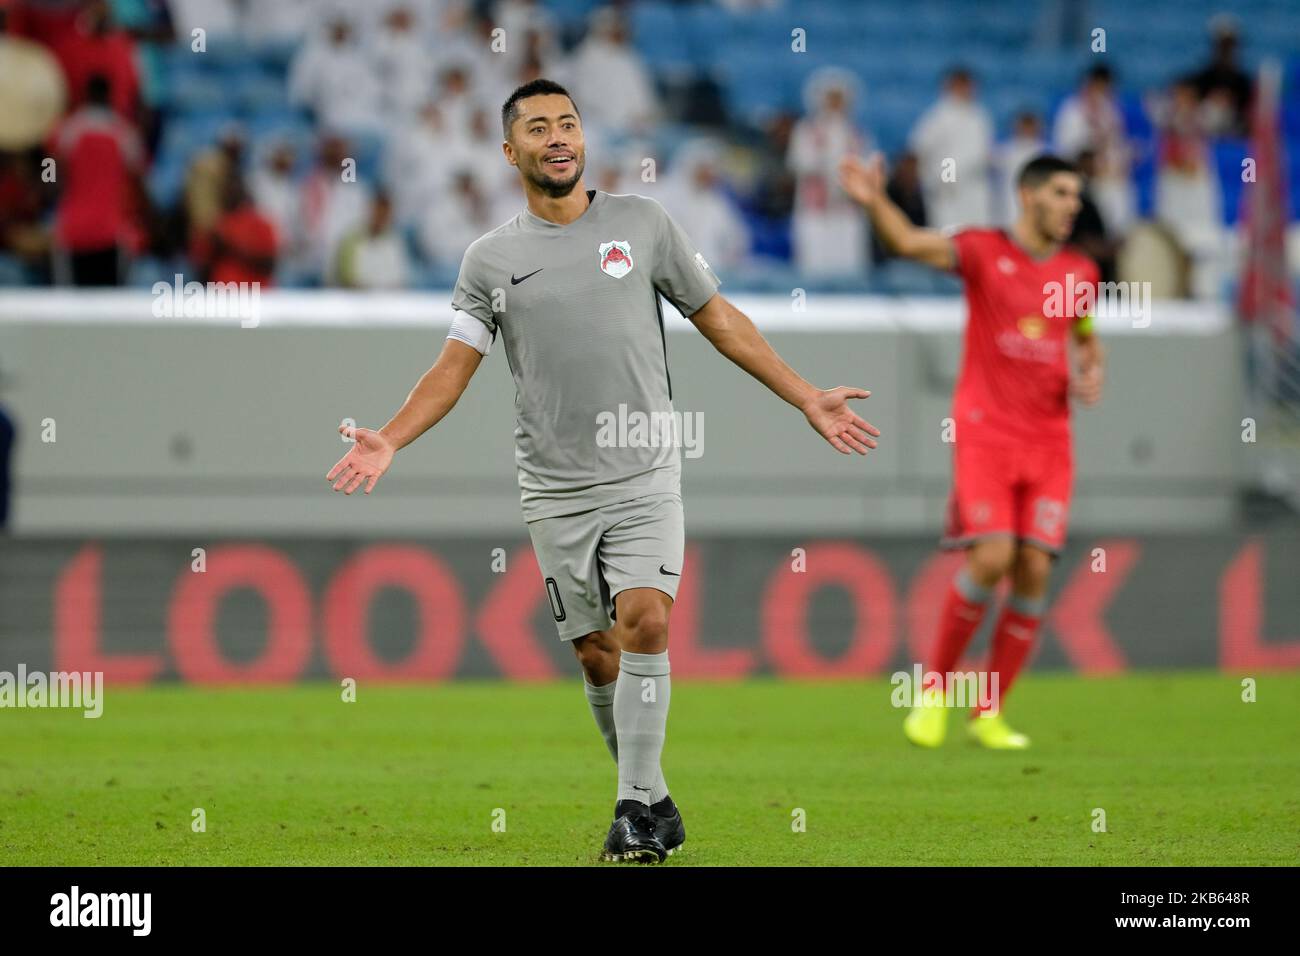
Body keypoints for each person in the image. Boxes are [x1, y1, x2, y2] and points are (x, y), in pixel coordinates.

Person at [327, 79, 881, 862]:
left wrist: (804, 398)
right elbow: (453, 368)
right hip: (554, 486)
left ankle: (629, 811)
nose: (558, 138)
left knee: (645, 618)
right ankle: (653, 796)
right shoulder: (489, 260)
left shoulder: (643, 224)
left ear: (583, 138)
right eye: (538, 128)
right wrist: (389, 437)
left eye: (569, 123)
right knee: (597, 654)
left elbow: (718, 317)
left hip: (644, 469)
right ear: (509, 149)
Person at [840, 151, 1104, 750]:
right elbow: (908, 242)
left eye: (1076, 196)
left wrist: (1090, 371)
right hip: (986, 434)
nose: (1073, 205)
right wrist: (874, 200)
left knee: (1034, 568)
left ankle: (988, 711)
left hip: (1050, 444)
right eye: (1062, 193)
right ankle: (933, 694)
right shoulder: (984, 250)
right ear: (1028, 194)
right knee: (992, 557)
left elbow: (1086, 340)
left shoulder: (1080, 274)